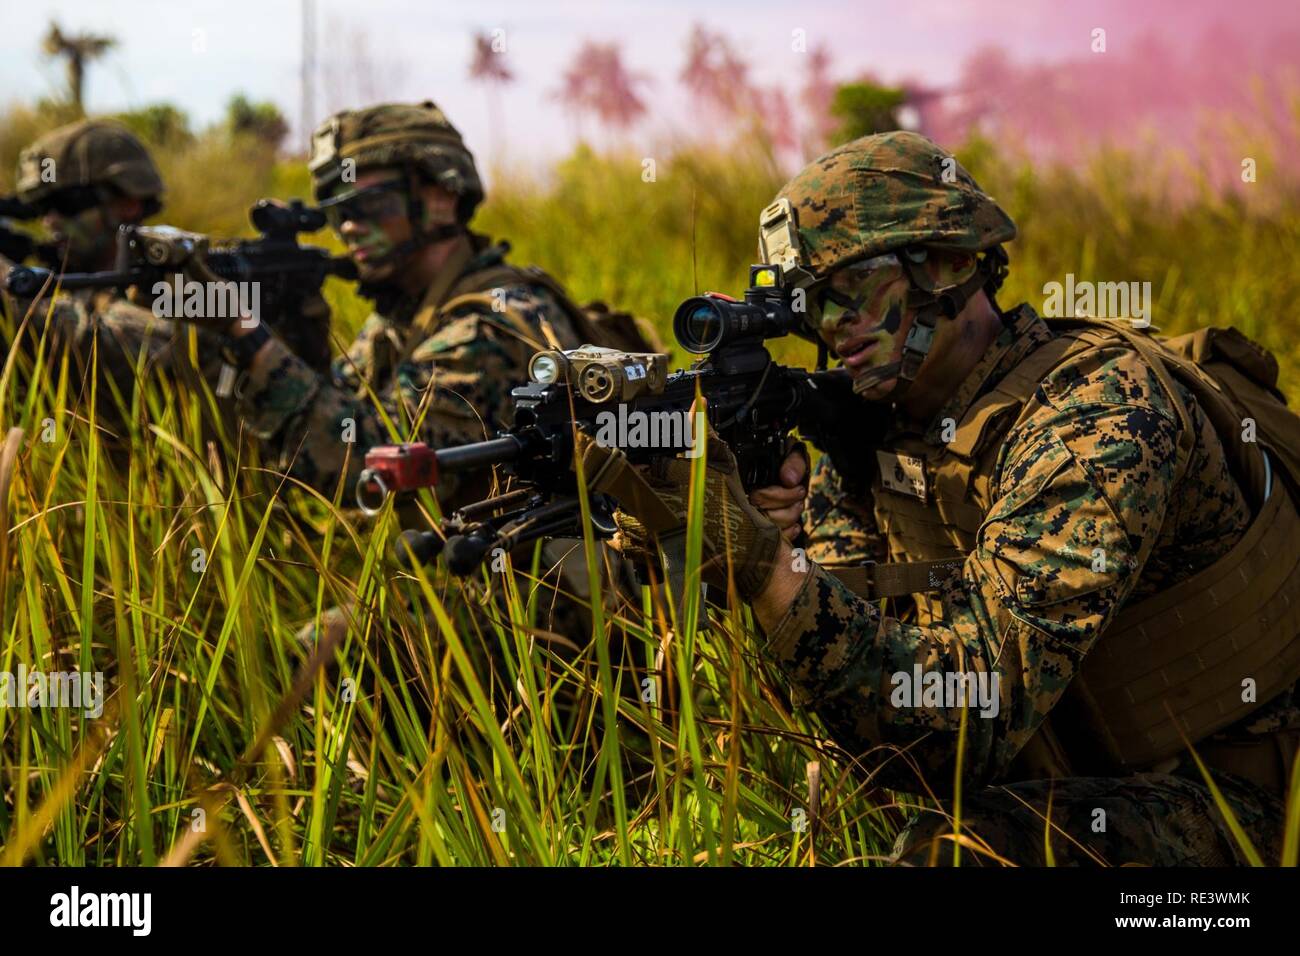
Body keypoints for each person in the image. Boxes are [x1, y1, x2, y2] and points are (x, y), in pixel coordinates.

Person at [590, 130, 1300, 866]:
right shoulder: (883, 428)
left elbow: (966, 725)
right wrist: (711, 544)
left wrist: (770, 572)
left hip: (1236, 798)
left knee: (959, 852)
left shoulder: (1100, 414)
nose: (832, 328)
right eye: (809, 307)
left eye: (851, 290)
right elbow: (873, 724)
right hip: (1057, 776)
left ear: (953, 263)